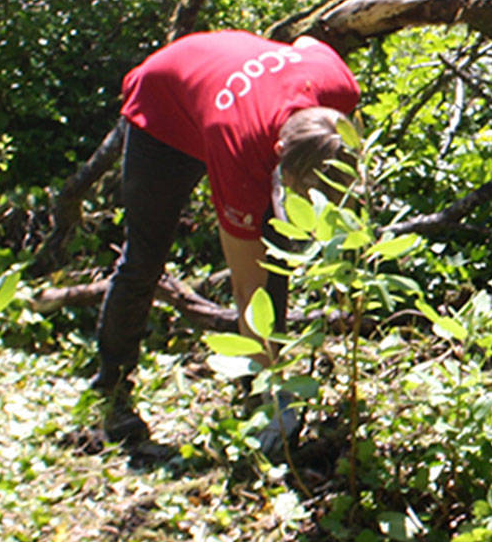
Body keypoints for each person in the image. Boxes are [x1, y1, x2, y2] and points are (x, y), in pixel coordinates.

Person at [90, 29, 361, 450]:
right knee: (145, 257)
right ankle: (110, 388)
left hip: (228, 88)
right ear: (277, 156)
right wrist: (278, 398)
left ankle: (257, 390)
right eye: (302, 194)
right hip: (164, 104)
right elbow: (246, 285)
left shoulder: (339, 87)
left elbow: (307, 42)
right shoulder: (240, 148)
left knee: (278, 249)